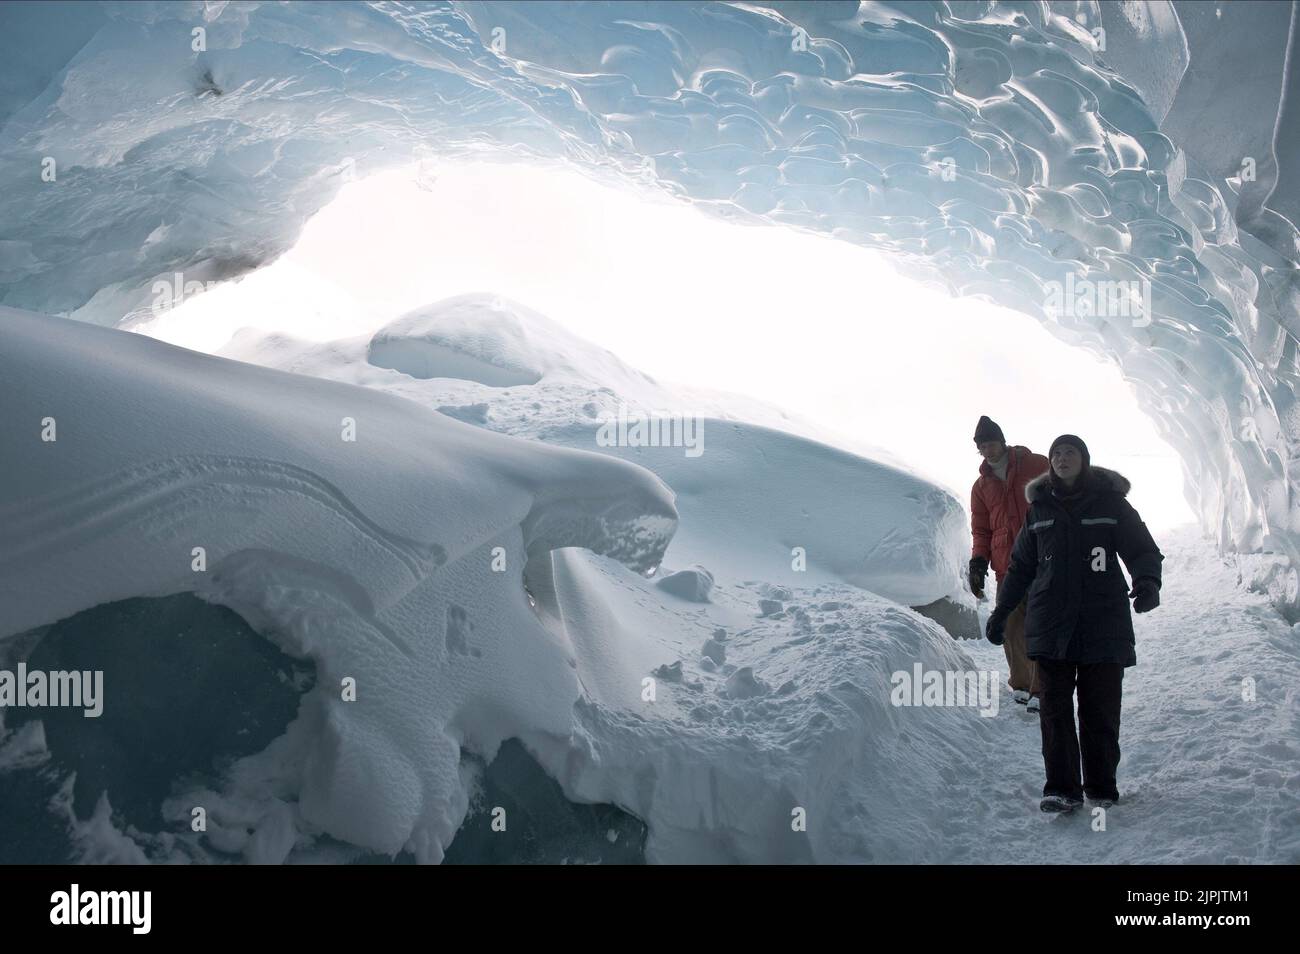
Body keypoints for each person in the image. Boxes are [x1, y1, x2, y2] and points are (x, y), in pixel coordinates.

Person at [986, 435, 1163, 813]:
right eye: (1056, 454)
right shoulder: (1039, 509)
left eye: (1070, 452)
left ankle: (1100, 787)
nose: (1062, 458)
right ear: (1050, 463)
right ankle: (1062, 789)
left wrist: (1147, 582)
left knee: (1100, 709)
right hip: (1050, 623)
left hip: (1103, 621)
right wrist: (1002, 612)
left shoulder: (1111, 503)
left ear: (1084, 459)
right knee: (1053, 709)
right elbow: (1020, 567)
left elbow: (1142, 548)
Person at [969, 416, 1049, 711]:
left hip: (1042, 558)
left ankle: (1042, 687)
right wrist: (978, 561)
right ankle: (1021, 683)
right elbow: (981, 530)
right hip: (1006, 564)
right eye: (981, 447)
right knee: (1012, 625)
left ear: (1002, 441)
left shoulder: (1037, 464)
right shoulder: (981, 486)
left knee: (1041, 622)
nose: (987, 451)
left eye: (990, 443)